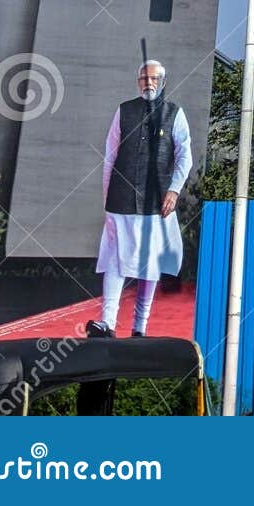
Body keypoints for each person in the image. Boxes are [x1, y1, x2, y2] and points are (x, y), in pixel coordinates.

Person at [86, 60, 191, 340]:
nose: (149, 82)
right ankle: (106, 323)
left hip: (156, 203)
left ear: (163, 82)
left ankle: (139, 327)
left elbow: (185, 156)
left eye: (155, 78)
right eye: (144, 78)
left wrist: (174, 190)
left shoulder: (174, 114)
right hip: (121, 199)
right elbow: (110, 156)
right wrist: (107, 197)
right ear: (138, 81)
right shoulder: (124, 111)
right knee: (116, 260)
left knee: (149, 264)